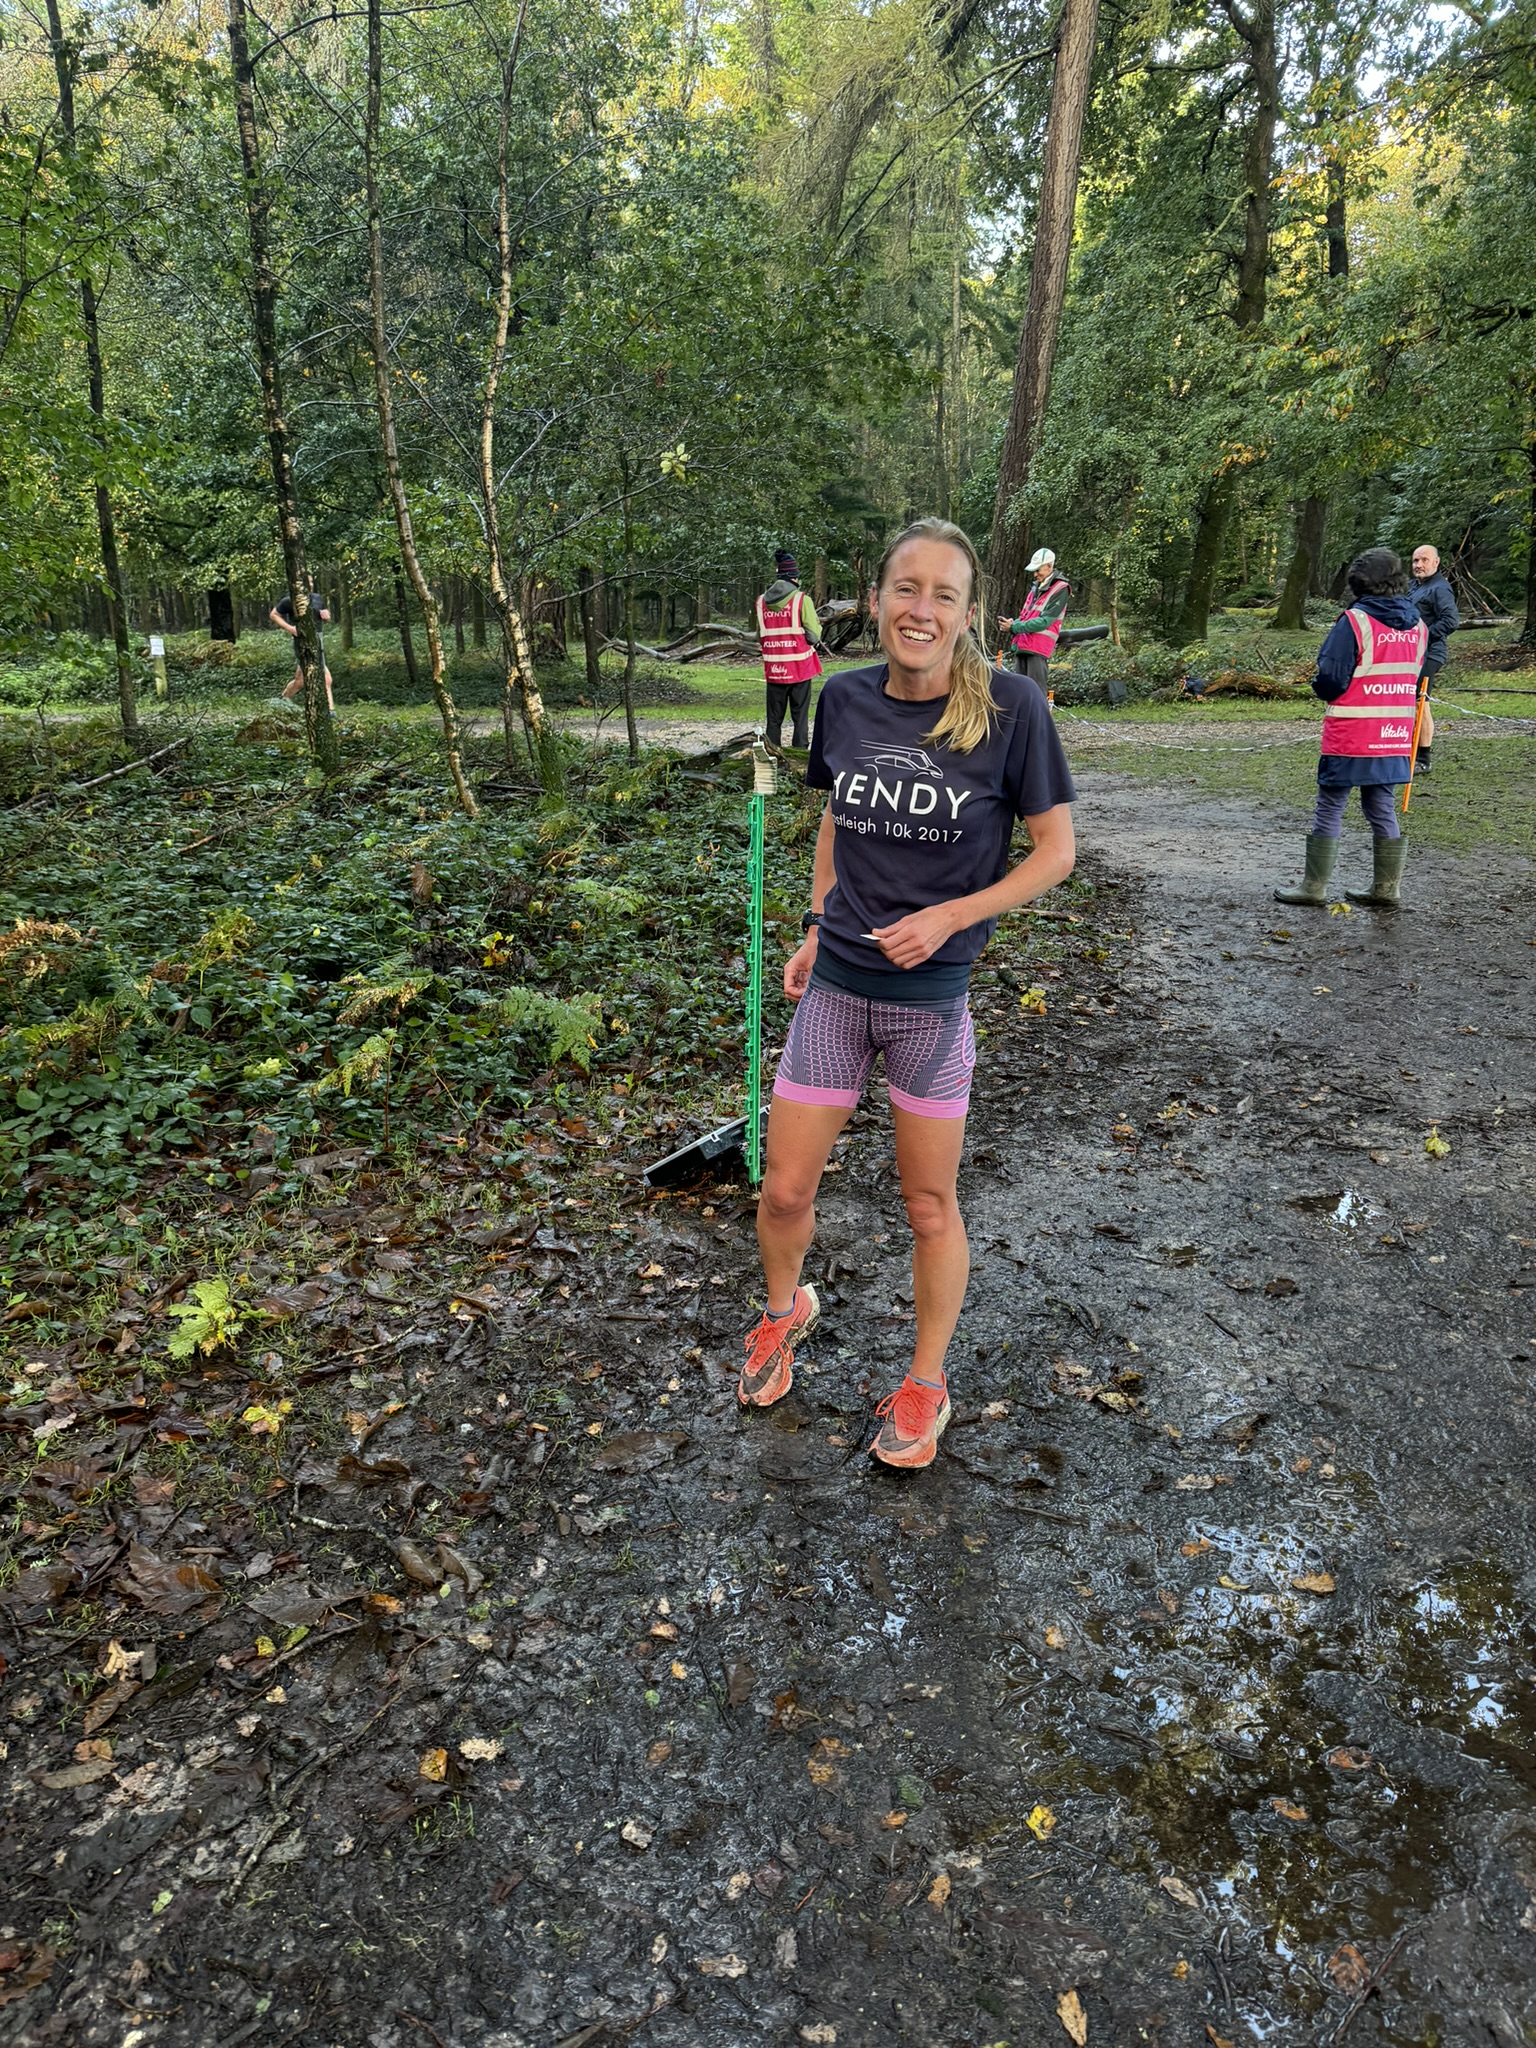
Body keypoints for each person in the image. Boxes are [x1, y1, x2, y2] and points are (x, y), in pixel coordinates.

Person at [739, 517, 1076, 1469]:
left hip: (931, 1002)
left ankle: (926, 1381)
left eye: (943, 594)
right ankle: (782, 1312)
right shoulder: (842, 701)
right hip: (836, 990)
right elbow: (837, 825)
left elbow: (1057, 854)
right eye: (905, 589)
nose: (919, 609)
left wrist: (954, 917)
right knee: (783, 1189)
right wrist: (813, 925)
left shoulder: (1014, 710)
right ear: (876, 598)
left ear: (970, 614)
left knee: (929, 1205)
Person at [1275, 546, 1427, 912]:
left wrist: (1321, 689)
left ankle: (1314, 887)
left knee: (1330, 805)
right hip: (1393, 732)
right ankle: (1386, 888)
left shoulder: (1355, 621)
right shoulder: (1419, 625)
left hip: (1352, 732)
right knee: (1381, 806)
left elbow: (1330, 676)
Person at [757, 550, 823, 748]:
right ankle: (800, 759)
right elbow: (813, 636)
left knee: (774, 721)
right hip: (799, 670)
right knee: (800, 718)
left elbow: (760, 636)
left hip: (774, 671)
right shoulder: (802, 600)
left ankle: (771, 756)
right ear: (794, 577)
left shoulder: (761, 602)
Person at [1409, 543, 1459, 773]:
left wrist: (1423, 637)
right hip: (1410, 654)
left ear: (1436, 562)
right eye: (1415, 561)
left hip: (1430, 654)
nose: (1418, 565)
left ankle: (1423, 759)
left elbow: (1451, 621)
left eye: (1424, 560)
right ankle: (1408, 751)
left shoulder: (1440, 588)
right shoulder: (1414, 586)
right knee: (1410, 702)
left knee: (1421, 701)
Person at [997, 548, 1070, 685]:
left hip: (1038, 648)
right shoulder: (1035, 588)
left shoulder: (1061, 588)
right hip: (1023, 645)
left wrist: (1014, 626)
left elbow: (1044, 621)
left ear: (1049, 566)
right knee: (1020, 692)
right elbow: (1026, 616)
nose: (1035, 574)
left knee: (1036, 693)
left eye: (1038, 570)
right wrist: (1011, 624)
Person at [270, 582, 334, 710]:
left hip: (318, 638)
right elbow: (273, 615)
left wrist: (327, 617)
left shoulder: (317, 597)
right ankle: (330, 712)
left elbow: (323, 615)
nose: (310, 584)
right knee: (326, 678)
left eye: (311, 581)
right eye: (306, 581)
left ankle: (282, 701)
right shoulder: (289, 600)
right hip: (302, 640)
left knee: (300, 680)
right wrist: (291, 629)